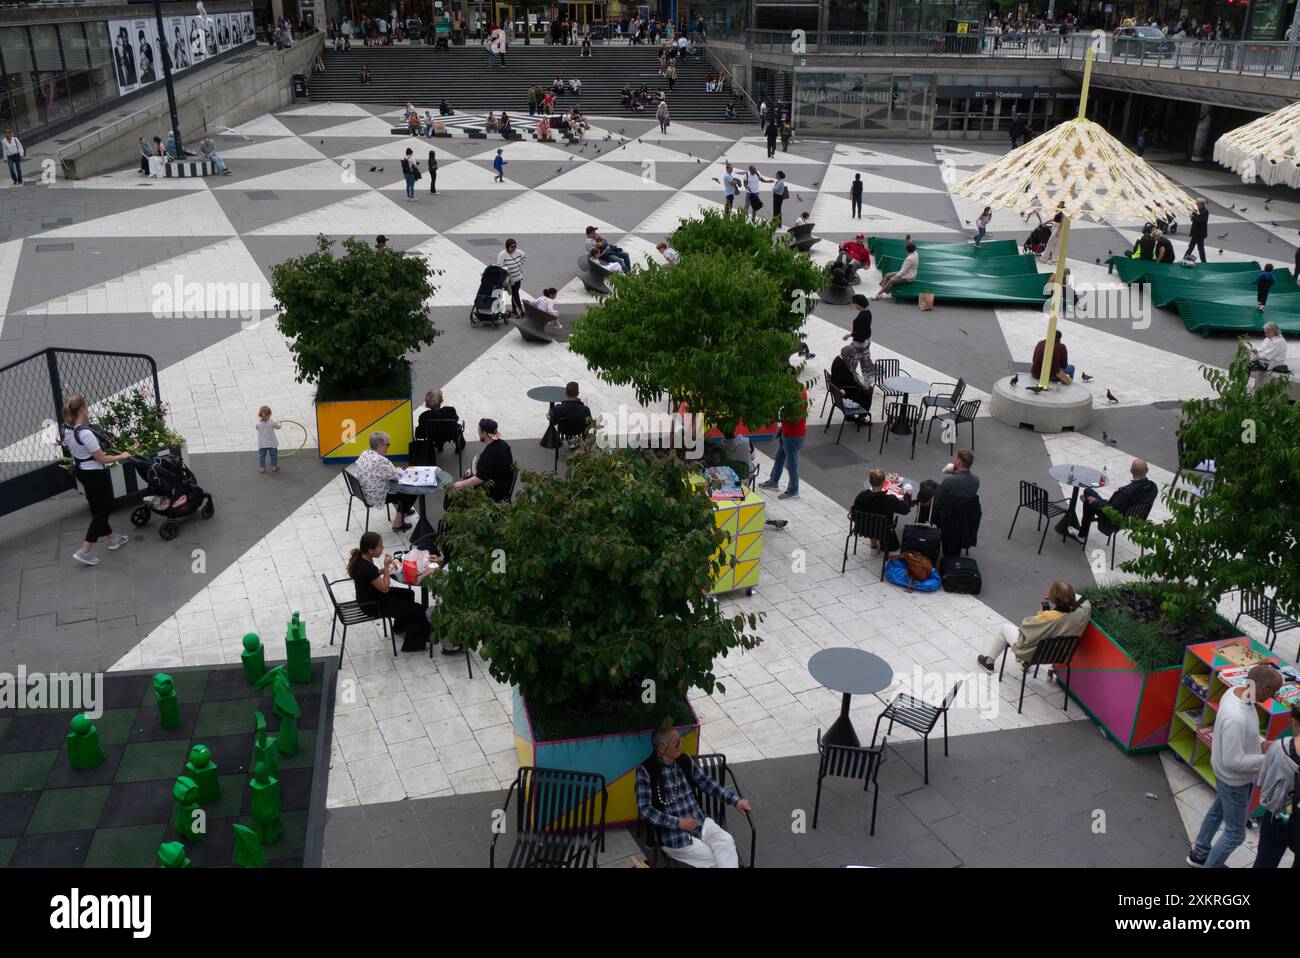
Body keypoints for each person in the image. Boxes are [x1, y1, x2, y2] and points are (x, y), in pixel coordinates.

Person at [1188, 664, 1284, 868]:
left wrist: (1260, 743)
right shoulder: (1236, 717)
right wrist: (1267, 757)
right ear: (1264, 688)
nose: (1273, 697)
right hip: (1233, 781)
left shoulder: (1234, 693)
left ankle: (1200, 853)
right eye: (1273, 692)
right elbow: (1234, 761)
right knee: (1235, 835)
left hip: (1224, 774)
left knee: (1217, 812)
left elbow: (1240, 740)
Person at [636, 721, 752, 868]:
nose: (681, 745)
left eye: (681, 740)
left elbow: (708, 783)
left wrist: (736, 801)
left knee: (726, 841)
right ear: (661, 747)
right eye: (677, 743)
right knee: (716, 859)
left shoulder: (684, 761)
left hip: (701, 823)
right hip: (675, 836)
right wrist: (677, 822)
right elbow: (644, 810)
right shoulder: (646, 771)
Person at [61, 395, 132, 566]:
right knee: (103, 511)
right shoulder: (85, 434)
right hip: (95, 474)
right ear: (83, 410)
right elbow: (101, 459)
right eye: (87, 406)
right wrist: (121, 456)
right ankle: (85, 550)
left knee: (97, 507)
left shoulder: (67, 429)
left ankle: (113, 538)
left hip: (82, 472)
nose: (88, 408)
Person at [976, 581, 1091, 672]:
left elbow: (1025, 628)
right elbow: (1081, 598)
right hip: (1060, 656)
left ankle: (989, 662)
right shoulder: (1084, 610)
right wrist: (1060, 595)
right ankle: (1023, 664)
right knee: (1043, 637)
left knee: (1005, 629)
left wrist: (1041, 613)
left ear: (1055, 599)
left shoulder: (1048, 617)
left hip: (1035, 655)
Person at [346, 531, 431, 652]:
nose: (383, 548)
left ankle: (399, 627)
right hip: (373, 604)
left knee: (408, 594)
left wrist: (386, 569)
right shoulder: (367, 567)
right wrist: (386, 567)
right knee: (417, 610)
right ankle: (412, 645)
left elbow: (373, 576)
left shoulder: (361, 559)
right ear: (370, 550)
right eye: (380, 546)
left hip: (369, 595)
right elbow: (385, 588)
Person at [1057, 458, 1158, 542]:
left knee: (1088, 493)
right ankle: (1088, 504)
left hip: (1114, 521)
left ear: (1131, 471)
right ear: (1147, 470)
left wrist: (1096, 502)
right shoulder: (1153, 487)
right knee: (1090, 498)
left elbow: (1111, 511)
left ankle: (1081, 535)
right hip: (1135, 520)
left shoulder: (1127, 492)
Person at [1252, 705, 1300, 868]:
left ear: (1293, 722)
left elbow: (1262, 782)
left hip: (1277, 816)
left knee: (1265, 861)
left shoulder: (1279, 748)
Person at [758, 366, 808, 500]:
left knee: (792, 463)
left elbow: (793, 417)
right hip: (787, 431)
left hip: (793, 434)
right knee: (779, 457)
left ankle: (793, 490)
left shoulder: (794, 393)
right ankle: (773, 482)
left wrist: (775, 419)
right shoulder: (798, 388)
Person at [355, 431, 418, 532]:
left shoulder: (365, 454)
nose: (388, 446)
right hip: (376, 496)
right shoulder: (380, 460)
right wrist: (399, 469)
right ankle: (398, 523)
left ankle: (401, 510)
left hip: (364, 492)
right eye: (387, 444)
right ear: (380, 445)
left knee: (394, 488)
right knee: (411, 493)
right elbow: (398, 476)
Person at [449, 419, 514, 502]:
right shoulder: (502, 443)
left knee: (455, 493)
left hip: (495, 491)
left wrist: (458, 485)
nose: (478, 433)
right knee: (466, 478)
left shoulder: (491, 453)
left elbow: (479, 479)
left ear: (484, 433)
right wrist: (473, 470)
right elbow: (490, 466)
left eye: (479, 431)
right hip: (502, 483)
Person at [852, 469, 913, 552]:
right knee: (895, 547)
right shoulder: (889, 500)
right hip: (883, 531)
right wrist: (908, 495)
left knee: (872, 519)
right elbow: (905, 510)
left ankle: (873, 545)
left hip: (863, 528)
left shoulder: (861, 497)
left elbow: (854, 514)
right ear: (883, 484)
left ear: (870, 482)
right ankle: (881, 546)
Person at [932, 449, 979, 518]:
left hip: (947, 518)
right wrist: (955, 473)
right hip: (965, 517)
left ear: (958, 461)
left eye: (955, 458)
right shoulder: (976, 480)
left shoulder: (949, 481)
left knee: (923, 507)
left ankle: (919, 528)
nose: (954, 460)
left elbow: (937, 503)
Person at [416, 389, 466, 454]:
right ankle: (459, 446)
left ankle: (438, 445)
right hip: (449, 435)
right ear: (441, 400)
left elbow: (420, 433)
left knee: (436, 429)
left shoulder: (424, 416)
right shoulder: (450, 411)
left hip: (433, 436)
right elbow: (456, 419)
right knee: (458, 426)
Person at [549, 381, 593, 449]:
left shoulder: (558, 408)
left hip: (563, 430)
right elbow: (589, 425)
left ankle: (570, 439)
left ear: (566, 393)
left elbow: (553, 422)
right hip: (579, 430)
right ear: (578, 394)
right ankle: (575, 440)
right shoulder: (585, 409)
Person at [840, 294, 873, 381]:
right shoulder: (868, 313)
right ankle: (868, 383)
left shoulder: (860, 317)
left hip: (858, 344)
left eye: (855, 303)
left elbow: (859, 332)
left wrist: (850, 335)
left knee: (851, 364)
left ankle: (849, 380)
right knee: (865, 363)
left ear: (858, 304)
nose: (854, 305)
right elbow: (865, 329)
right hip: (866, 342)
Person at [497, 238, 526, 318]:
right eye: (512, 247)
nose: (514, 248)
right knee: (515, 294)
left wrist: (519, 263)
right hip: (509, 280)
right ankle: (520, 311)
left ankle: (514, 311)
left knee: (515, 294)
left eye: (515, 246)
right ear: (507, 247)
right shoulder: (502, 254)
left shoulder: (518, 252)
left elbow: (524, 256)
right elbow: (500, 266)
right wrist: (506, 270)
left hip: (518, 278)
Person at [256, 405, 281, 473]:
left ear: (260, 415)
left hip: (262, 444)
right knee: (273, 455)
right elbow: (278, 427)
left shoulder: (258, 423)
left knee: (262, 456)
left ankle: (262, 468)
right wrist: (279, 422)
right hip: (272, 443)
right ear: (270, 414)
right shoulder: (271, 422)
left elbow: (257, 428)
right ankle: (274, 467)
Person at [1185, 198, 1209, 263]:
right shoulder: (1196, 210)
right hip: (1195, 232)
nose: (1196, 204)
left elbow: (1200, 220)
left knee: (1200, 248)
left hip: (1200, 233)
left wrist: (1192, 217)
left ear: (1202, 204)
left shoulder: (1205, 211)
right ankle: (1185, 258)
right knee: (1191, 247)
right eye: (1196, 203)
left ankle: (1203, 261)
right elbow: (1194, 217)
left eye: (1198, 203)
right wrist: (1193, 217)